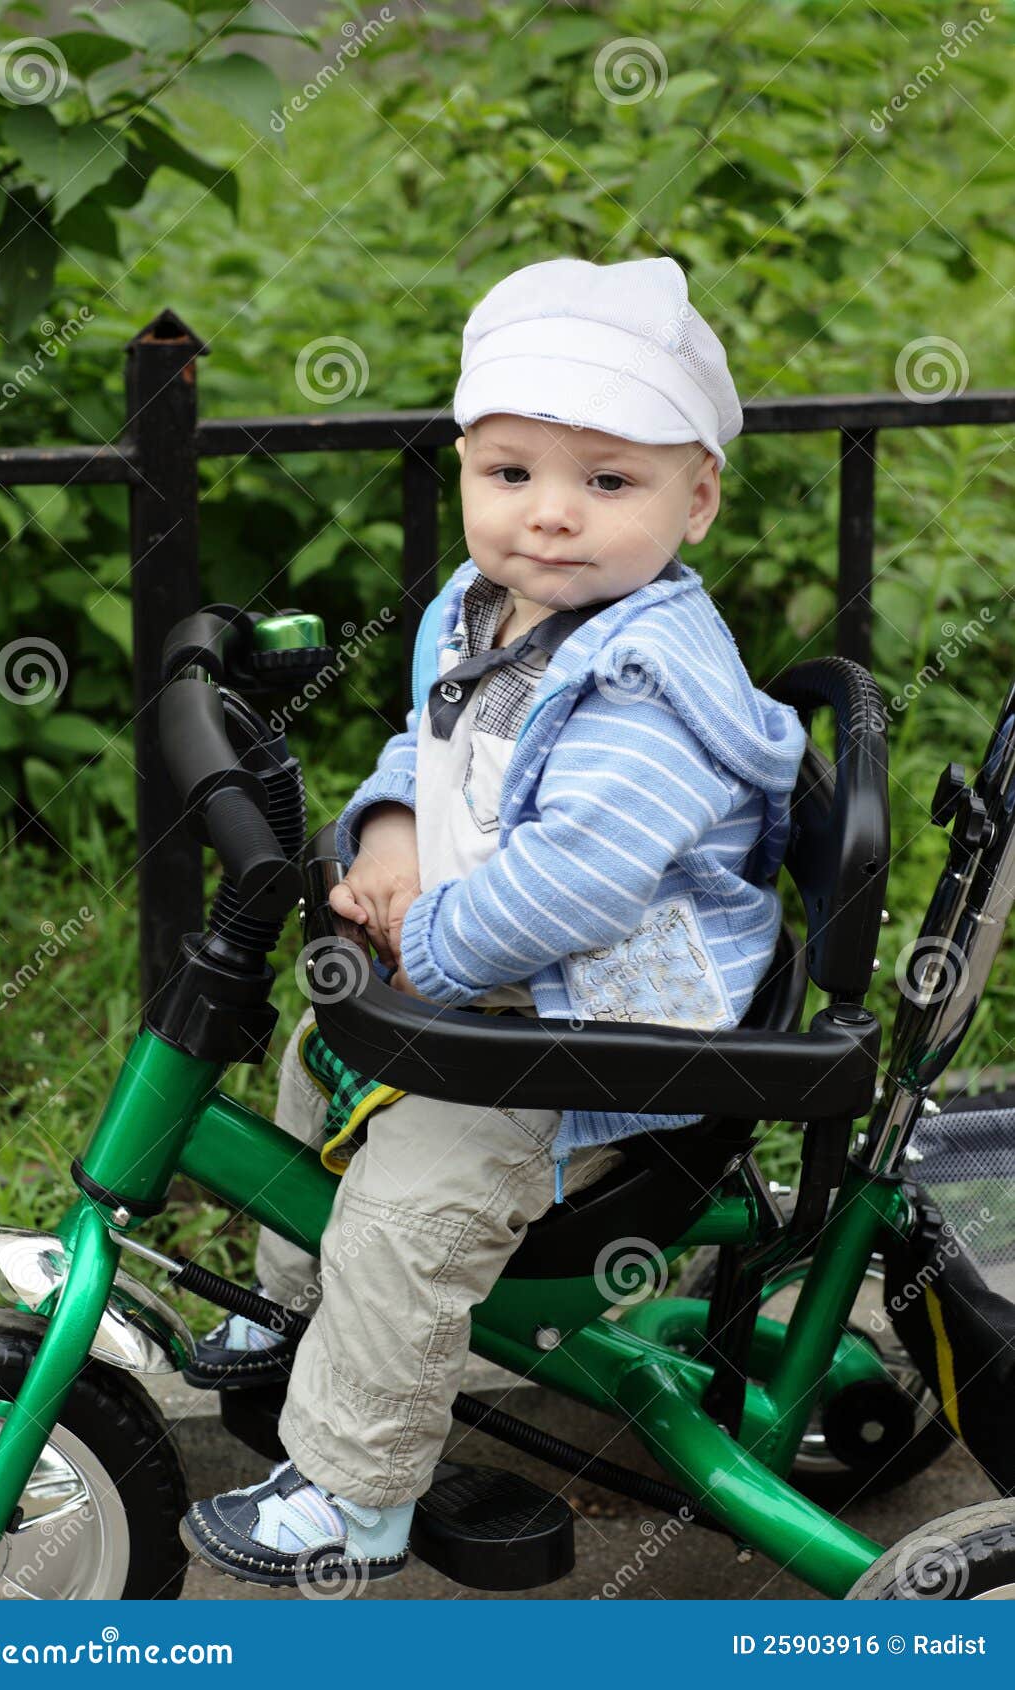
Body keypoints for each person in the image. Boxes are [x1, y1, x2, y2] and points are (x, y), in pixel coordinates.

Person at [179, 255, 807, 1588]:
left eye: (609, 480)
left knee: (417, 1199)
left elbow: (578, 879)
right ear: (465, 466)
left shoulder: (645, 677)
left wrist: (432, 944)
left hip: (603, 1035)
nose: (551, 517)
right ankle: (300, 1312)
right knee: (319, 1061)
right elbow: (434, 744)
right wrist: (395, 840)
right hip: (501, 987)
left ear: (696, 497)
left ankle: (353, 1489)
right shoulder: (487, 614)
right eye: (511, 473)